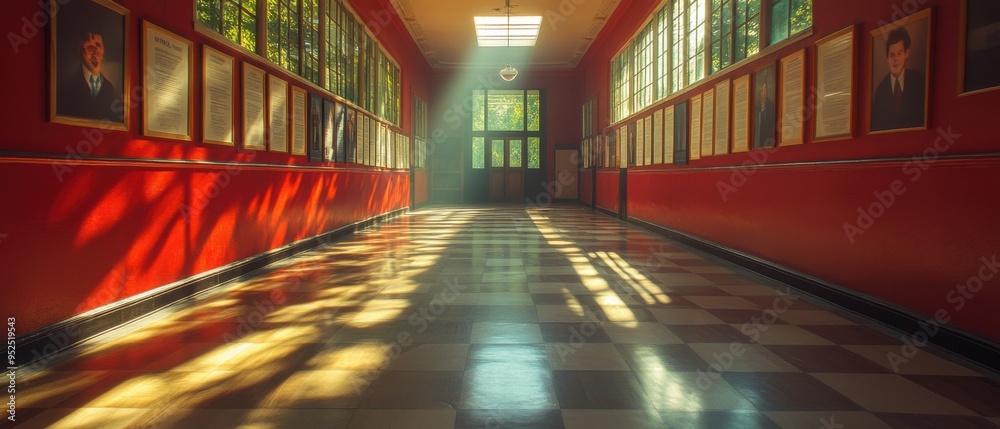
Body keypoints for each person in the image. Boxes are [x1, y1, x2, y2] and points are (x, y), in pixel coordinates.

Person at [57, 30, 123, 122]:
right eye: (89, 47)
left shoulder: (109, 88)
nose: (95, 51)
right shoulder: (66, 85)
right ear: (79, 50)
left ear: (103, 50)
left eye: (98, 45)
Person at [871, 27, 926, 131]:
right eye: (892, 55)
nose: (895, 59)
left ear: (906, 54)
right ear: (887, 59)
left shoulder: (918, 81)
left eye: (899, 53)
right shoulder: (880, 90)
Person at [754, 77, 776, 148]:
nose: (764, 93)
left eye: (765, 90)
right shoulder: (756, 107)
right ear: (759, 92)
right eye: (762, 90)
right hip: (758, 141)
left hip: (768, 141)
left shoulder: (771, 106)